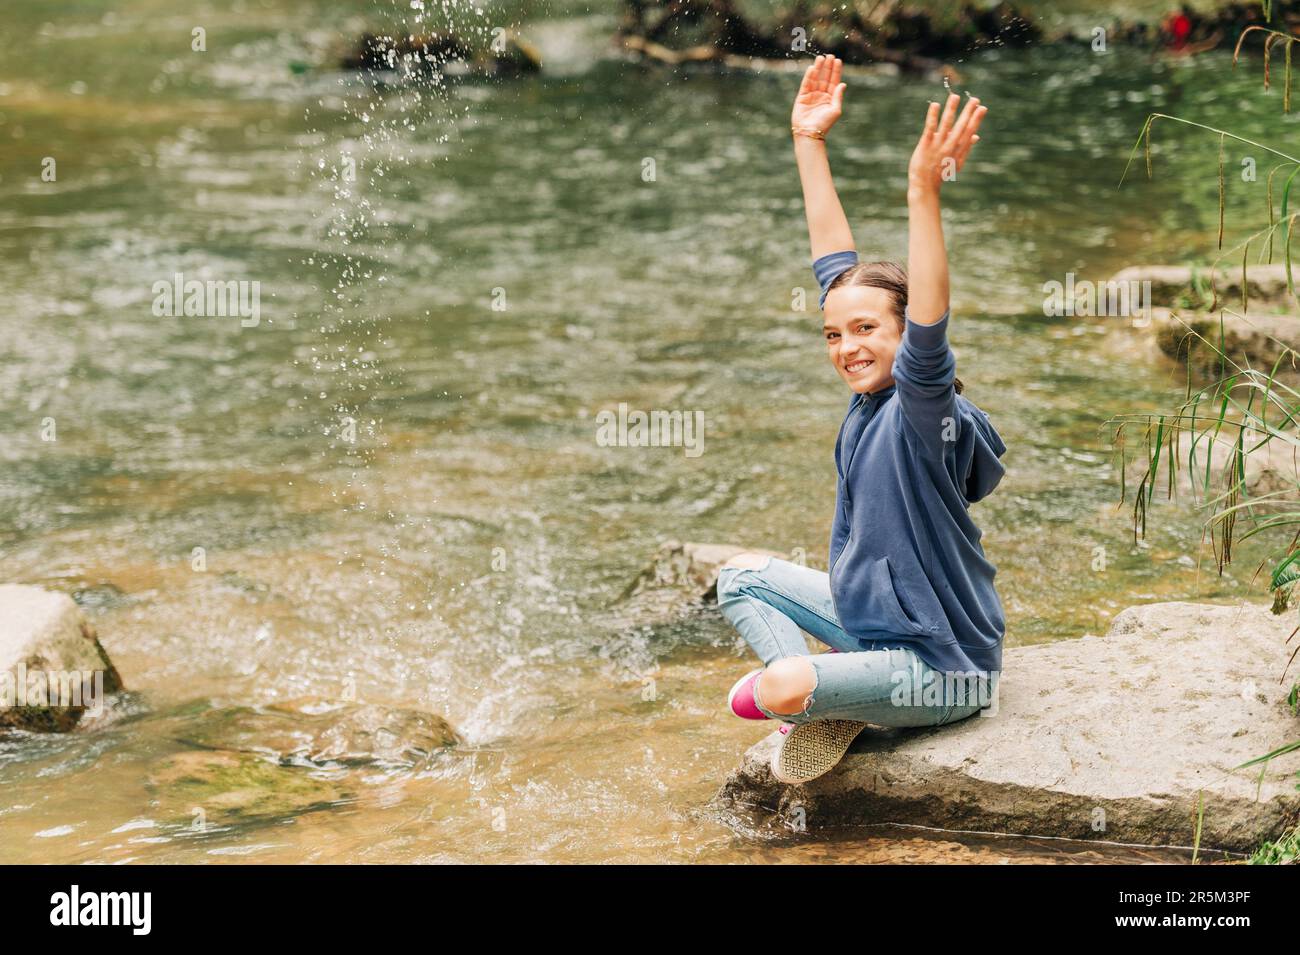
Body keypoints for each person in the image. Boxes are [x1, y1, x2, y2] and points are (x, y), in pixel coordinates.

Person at [717, 55, 1007, 785]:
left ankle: (820, 697)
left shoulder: (919, 404)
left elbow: (933, 316)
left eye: (869, 329)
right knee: (738, 577)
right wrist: (807, 141)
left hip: (946, 670)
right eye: (834, 334)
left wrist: (923, 192)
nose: (848, 347)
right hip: (878, 625)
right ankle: (840, 692)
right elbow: (833, 266)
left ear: (909, 335)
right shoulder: (868, 396)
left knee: (779, 684)